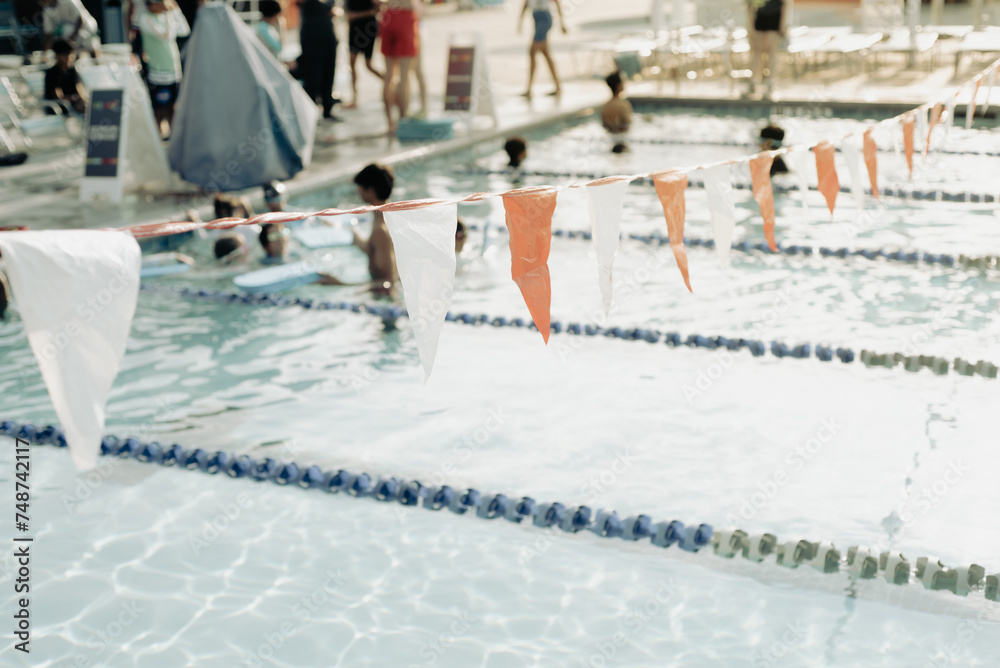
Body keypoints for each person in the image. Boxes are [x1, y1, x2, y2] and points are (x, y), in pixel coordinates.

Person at [139, 0, 190, 139]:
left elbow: (184, 30)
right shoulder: (145, 19)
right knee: (159, 109)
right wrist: (169, 13)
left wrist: (175, 10)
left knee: (173, 107)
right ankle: (158, 140)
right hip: (157, 73)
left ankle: (173, 138)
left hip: (174, 71)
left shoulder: (166, 16)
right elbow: (165, 35)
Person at [352, 163, 397, 294]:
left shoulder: (380, 230)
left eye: (360, 186)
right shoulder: (387, 218)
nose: (358, 190)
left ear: (370, 190)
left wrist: (347, 288)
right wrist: (356, 237)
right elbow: (375, 250)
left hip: (383, 299)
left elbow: (389, 281)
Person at [379, 0, 421, 136]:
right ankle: (402, 122)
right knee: (404, 76)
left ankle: (390, 124)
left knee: (388, 76)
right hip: (405, 15)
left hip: (388, 15)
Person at [298, 0, 342, 121]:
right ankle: (310, 112)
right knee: (312, 75)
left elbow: (334, 10)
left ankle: (327, 109)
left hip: (327, 36)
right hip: (312, 37)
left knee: (329, 73)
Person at [518, 0, 566, 99]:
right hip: (537, 18)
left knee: (532, 52)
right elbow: (526, 4)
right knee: (546, 54)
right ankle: (557, 86)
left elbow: (557, 2)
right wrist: (520, 22)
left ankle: (529, 89)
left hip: (544, 19)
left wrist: (562, 23)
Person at [345, 0, 384, 109]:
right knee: (352, 63)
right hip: (354, 29)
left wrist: (357, 15)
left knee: (368, 65)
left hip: (367, 29)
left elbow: (379, 8)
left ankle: (390, 84)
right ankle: (354, 98)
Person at [747, 0, 785, 99]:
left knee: (772, 51)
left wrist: (783, 24)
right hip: (759, 15)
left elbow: (785, 3)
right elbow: (749, 5)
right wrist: (750, 26)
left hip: (775, 15)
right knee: (757, 51)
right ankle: (754, 81)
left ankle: (770, 82)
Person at [44, 40, 87, 115]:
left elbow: (79, 88)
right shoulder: (52, 73)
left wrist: (82, 99)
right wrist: (74, 99)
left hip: (72, 104)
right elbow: (58, 96)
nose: (69, 57)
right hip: (58, 107)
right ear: (57, 56)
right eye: (66, 54)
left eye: (71, 54)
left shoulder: (72, 70)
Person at [601, 70, 632, 153]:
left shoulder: (605, 106)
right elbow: (627, 124)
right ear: (619, 86)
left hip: (610, 142)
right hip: (622, 143)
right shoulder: (623, 105)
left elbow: (604, 125)